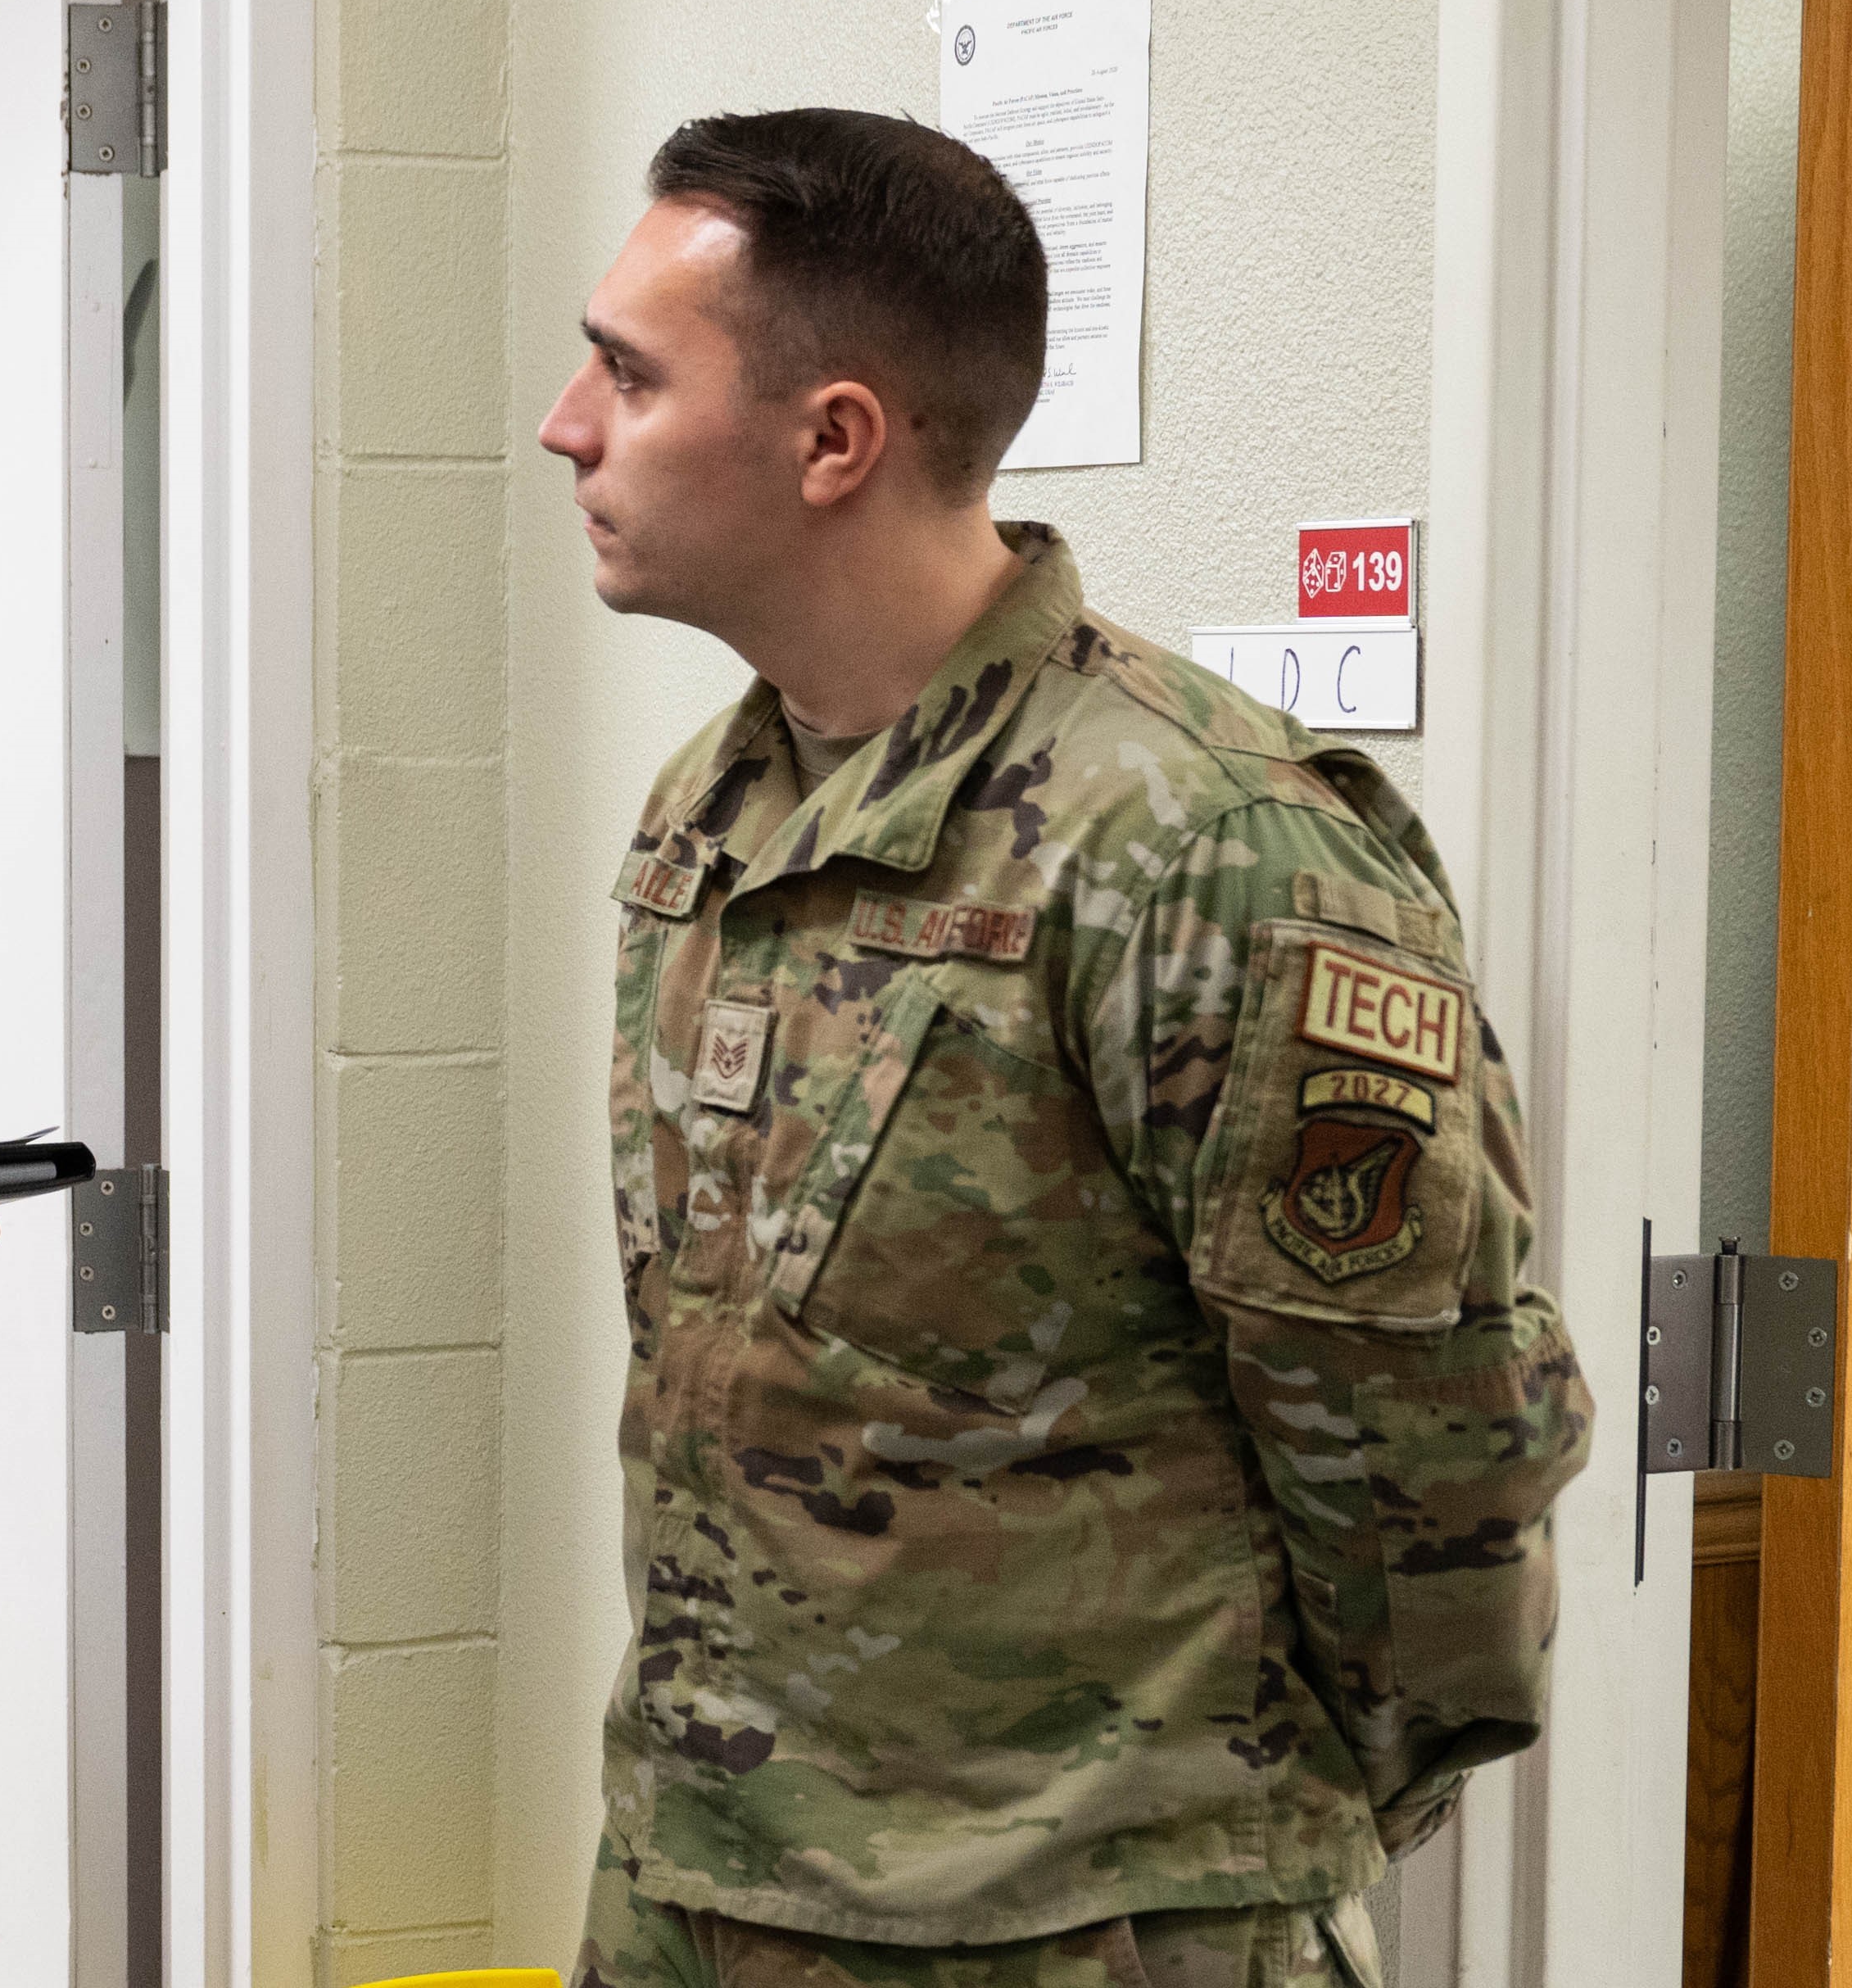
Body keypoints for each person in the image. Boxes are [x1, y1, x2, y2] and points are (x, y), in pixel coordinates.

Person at [536, 109, 1591, 1988]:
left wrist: (1227, 1847)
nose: (566, 423)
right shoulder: (716, 803)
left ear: (833, 440)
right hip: (700, 1881)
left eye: (626, 372)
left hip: (1076, 1924)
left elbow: (1436, 1457)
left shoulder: (1200, 845)